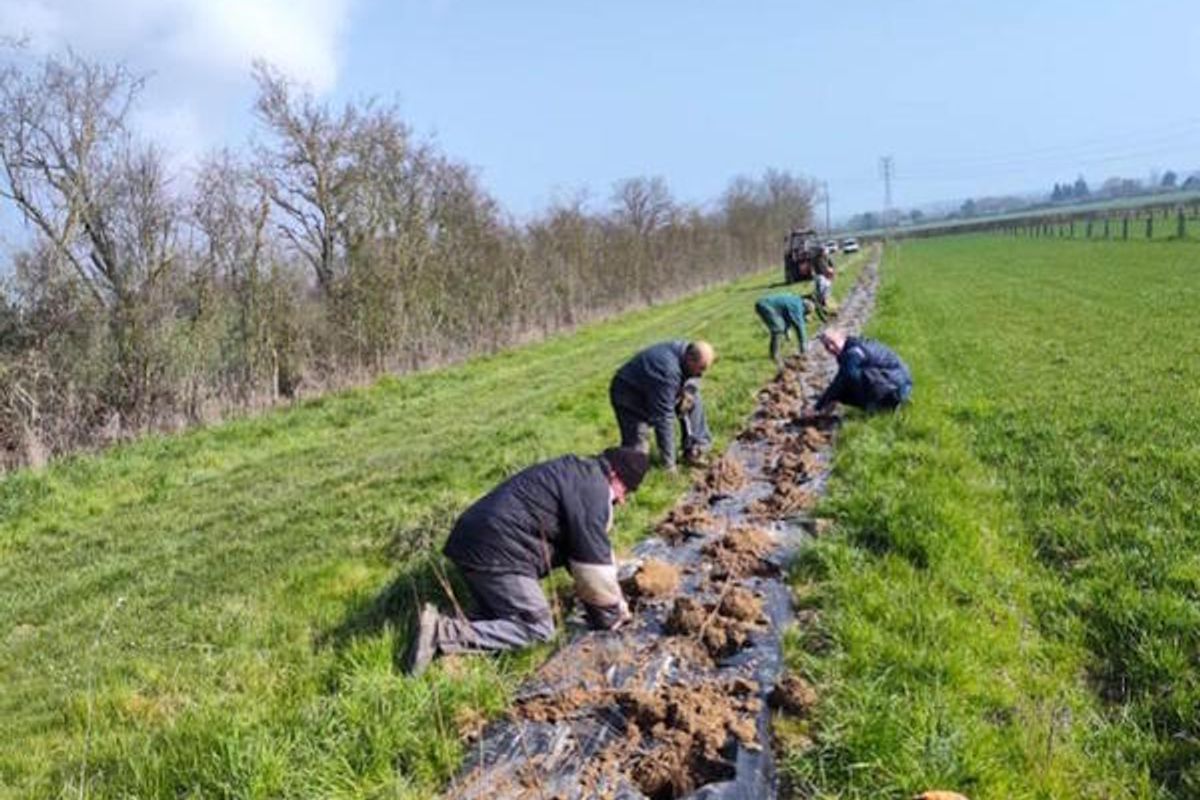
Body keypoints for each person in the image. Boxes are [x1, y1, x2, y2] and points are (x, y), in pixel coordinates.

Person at [405, 447, 649, 676]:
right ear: (614, 474)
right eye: (625, 490)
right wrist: (611, 616)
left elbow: (582, 549)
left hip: (473, 542)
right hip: (499, 552)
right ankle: (441, 633)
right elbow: (592, 569)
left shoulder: (578, 474)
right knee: (538, 629)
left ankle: (447, 621)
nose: (624, 499)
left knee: (498, 615)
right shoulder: (593, 490)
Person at [609, 340, 715, 471]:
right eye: (701, 369)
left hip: (654, 387)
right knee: (637, 459)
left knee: (692, 399)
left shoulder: (688, 351)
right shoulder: (667, 370)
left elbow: (694, 380)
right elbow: (664, 418)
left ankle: (695, 449)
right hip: (629, 396)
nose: (701, 374)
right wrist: (670, 465)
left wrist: (689, 390)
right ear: (690, 360)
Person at [814, 330, 912, 413]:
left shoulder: (853, 352)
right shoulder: (850, 348)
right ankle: (882, 404)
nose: (830, 348)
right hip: (895, 380)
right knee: (842, 389)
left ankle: (885, 404)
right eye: (826, 346)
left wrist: (818, 407)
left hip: (897, 383)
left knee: (848, 379)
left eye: (832, 342)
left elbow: (843, 377)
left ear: (842, 338)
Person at [754, 294, 808, 370]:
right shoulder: (798, 306)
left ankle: (775, 353)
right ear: (805, 309)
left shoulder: (795, 301)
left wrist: (787, 330)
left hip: (765, 304)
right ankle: (775, 355)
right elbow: (800, 328)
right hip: (765, 306)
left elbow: (787, 317)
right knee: (778, 330)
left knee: (780, 327)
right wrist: (803, 348)